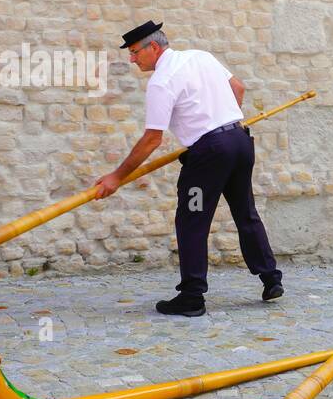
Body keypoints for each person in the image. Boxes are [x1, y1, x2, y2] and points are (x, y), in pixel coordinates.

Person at [95, 20, 284, 316]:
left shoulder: (161, 81)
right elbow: (238, 87)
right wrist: (220, 120)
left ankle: (192, 296)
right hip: (239, 141)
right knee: (245, 211)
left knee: (191, 219)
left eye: (134, 52)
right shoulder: (201, 56)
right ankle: (271, 278)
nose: (132, 59)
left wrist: (116, 177)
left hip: (209, 156)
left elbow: (151, 140)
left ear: (153, 47)